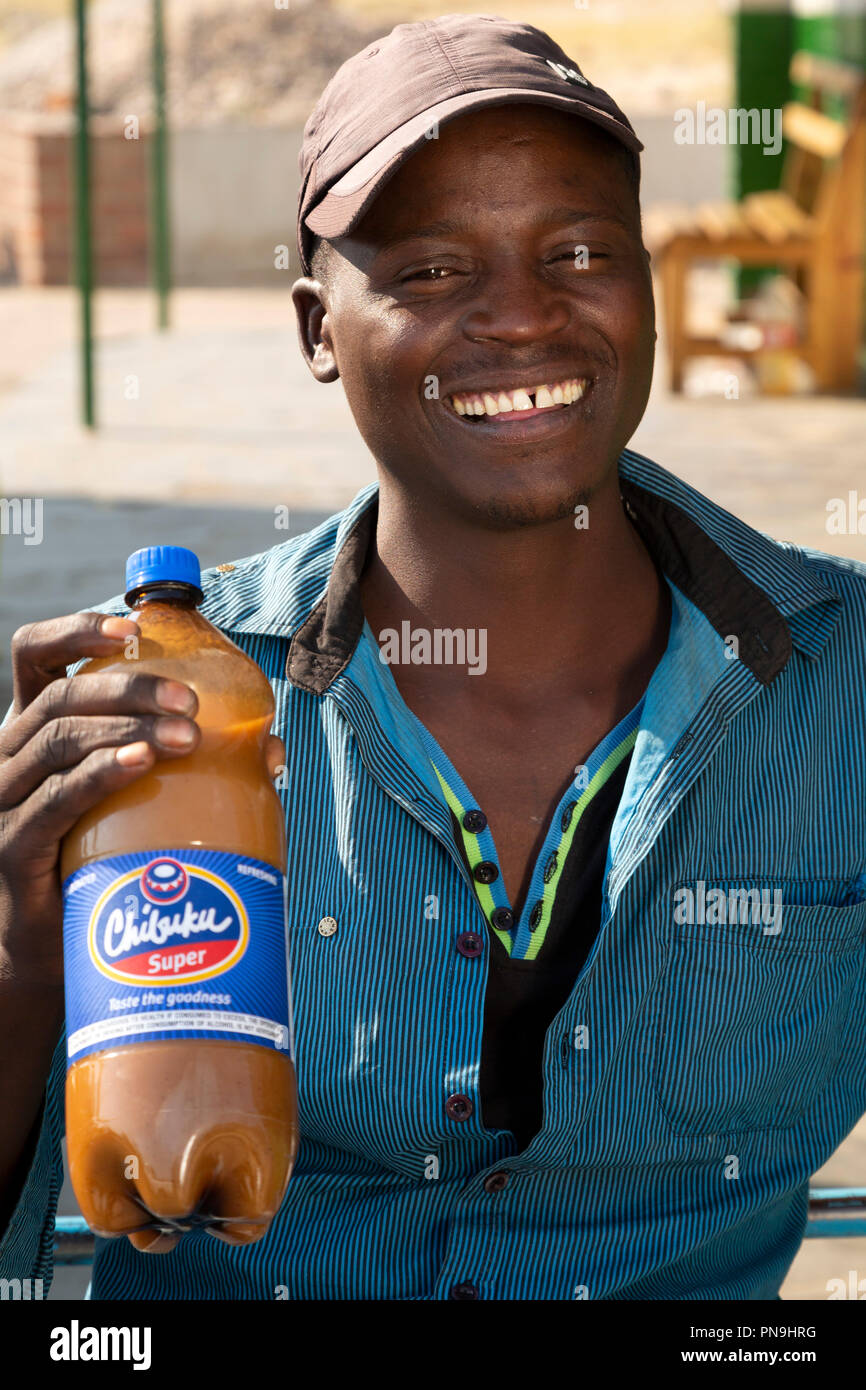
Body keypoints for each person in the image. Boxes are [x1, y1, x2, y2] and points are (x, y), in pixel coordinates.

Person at [1, 14, 864, 1301]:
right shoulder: (180, 710)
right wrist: (20, 937)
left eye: (577, 251)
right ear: (314, 327)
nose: (520, 318)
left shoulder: (835, 678)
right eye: (430, 270)